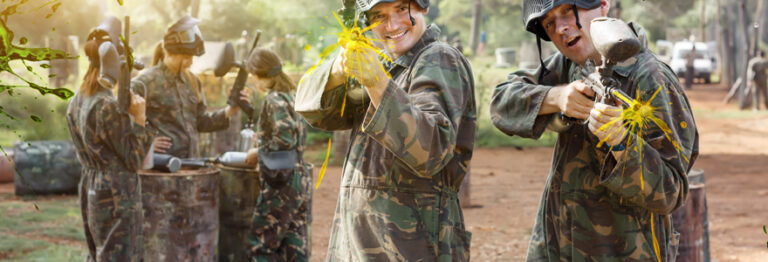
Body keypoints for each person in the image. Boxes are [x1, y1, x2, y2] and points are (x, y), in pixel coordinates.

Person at [490, 0, 699, 260]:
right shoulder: (568, 66)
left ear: (603, 5)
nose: (561, 29)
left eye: (568, 11)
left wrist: (623, 143)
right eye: (549, 24)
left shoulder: (651, 79)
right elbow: (500, 103)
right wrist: (556, 97)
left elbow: (671, 191)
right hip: (556, 244)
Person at [295, 0, 476, 260]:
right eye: (379, 16)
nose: (391, 25)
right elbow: (309, 108)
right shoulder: (387, 64)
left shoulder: (438, 58)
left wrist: (376, 81)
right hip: (364, 244)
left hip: (412, 247)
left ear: (422, 7)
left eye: (402, 9)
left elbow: (431, 149)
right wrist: (338, 70)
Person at [66, 23, 153, 261]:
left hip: (90, 184)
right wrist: (140, 119)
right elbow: (134, 158)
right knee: (121, 255)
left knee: (98, 253)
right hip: (116, 190)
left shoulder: (76, 100)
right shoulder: (106, 106)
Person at [131, 15, 248, 158]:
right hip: (160, 171)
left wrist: (231, 110)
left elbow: (201, 122)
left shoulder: (192, 81)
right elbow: (121, 123)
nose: (191, 62)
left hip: (190, 166)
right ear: (170, 52)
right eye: (186, 57)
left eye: (192, 56)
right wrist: (147, 142)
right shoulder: (144, 82)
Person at [242, 48, 313, 261]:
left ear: (259, 73)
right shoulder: (292, 95)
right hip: (301, 180)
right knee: (294, 246)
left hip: (281, 182)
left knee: (262, 245)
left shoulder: (274, 99)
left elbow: (285, 140)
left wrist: (258, 151)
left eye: (253, 76)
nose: (253, 81)